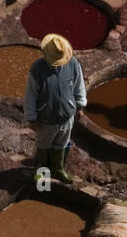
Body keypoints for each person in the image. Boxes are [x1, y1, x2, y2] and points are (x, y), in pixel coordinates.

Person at [23, 33, 86, 184]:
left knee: (62, 143)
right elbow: (30, 95)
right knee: (43, 144)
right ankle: (42, 169)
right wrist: (31, 117)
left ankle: (58, 170)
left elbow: (79, 86)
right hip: (46, 118)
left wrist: (80, 105)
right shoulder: (37, 69)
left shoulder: (73, 64)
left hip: (66, 116)